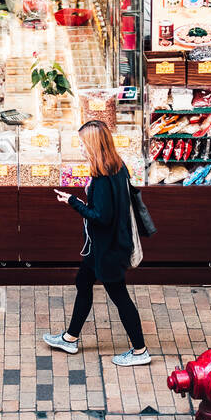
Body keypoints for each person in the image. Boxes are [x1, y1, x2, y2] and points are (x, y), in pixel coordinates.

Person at [42, 120, 151, 367]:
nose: (80, 147)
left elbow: (100, 217)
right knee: (83, 282)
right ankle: (70, 338)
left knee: (120, 296)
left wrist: (72, 202)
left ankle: (140, 350)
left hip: (108, 249)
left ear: (93, 145)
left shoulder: (102, 178)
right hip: (104, 246)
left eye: (82, 143)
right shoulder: (118, 166)